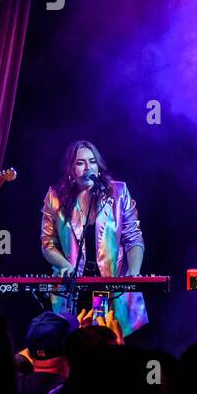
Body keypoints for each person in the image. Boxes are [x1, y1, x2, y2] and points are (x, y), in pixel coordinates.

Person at [39, 140, 148, 335]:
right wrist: (66, 267)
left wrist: (134, 275)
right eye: (81, 163)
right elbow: (48, 244)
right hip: (74, 286)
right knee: (78, 341)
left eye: (92, 162)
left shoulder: (118, 192)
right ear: (71, 170)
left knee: (106, 338)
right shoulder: (54, 196)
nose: (88, 167)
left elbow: (133, 238)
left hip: (110, 285)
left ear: (98, 166)